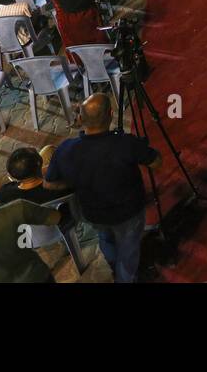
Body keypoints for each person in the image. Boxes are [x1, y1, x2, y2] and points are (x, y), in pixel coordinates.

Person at [45, 93, 161, 283]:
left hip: (93, 212)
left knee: (106, 239)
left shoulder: (66, 149)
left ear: (80, 119)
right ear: (111, 114)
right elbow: (156, 162)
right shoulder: (125, 143)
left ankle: (115, 266)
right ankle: (125, 279)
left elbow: (49, 183)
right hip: (128, 212)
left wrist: (75, 180)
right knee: (129, 247)